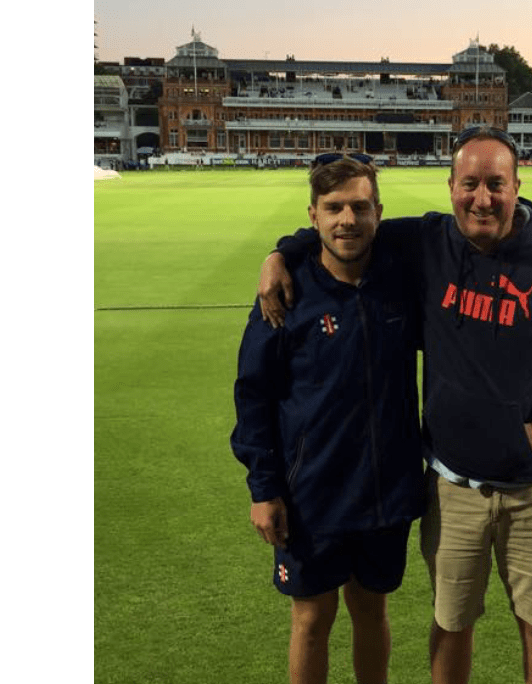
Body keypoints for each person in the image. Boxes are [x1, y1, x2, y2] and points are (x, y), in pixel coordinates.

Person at [258, 128, 532, 684]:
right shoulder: (428, 241)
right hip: (452, 488)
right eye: (469, 183)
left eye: (495, 184)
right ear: (451, 188)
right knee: (451, 623)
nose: (482, 198)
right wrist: (281, 253)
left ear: (516, 187)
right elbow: (347, 226)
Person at [231, 154, 424, 684]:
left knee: (372, 611)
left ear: (378, 212)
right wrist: (263, 489)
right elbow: (253, 396)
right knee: (312, 620)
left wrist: (281, 248)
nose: (348, 220)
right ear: (313, 215)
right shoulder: (285, 294)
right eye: (334, 208)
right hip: (310, 496)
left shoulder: (400, 278)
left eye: (360, 207)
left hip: (386, 492)